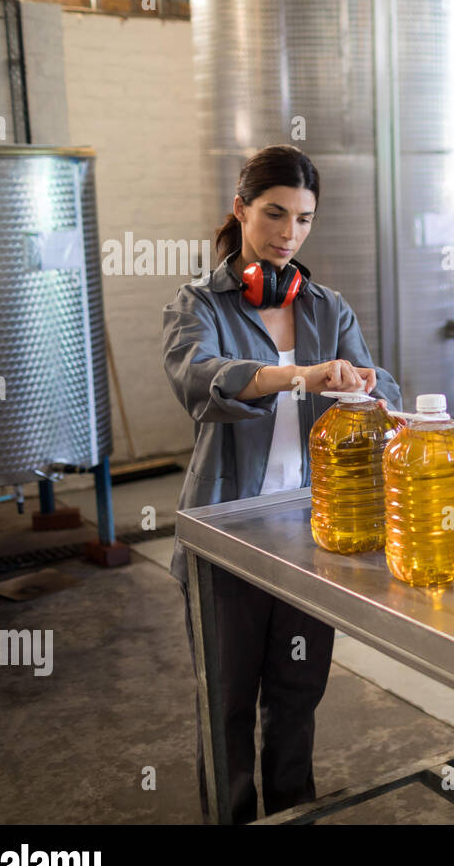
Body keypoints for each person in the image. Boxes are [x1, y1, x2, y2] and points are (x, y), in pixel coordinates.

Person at [162, 144, 401, 823]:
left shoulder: (328, 308)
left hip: (310, 537)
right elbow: (200, 382)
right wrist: (298, 375)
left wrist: (367, 388)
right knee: (227, 704)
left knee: (296, 697)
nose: (287, 234)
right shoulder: (197, 306)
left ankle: (294, 812)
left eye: (303, 220)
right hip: (226, 538)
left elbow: (382, 391)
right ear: (240, 210)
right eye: (273, 214)